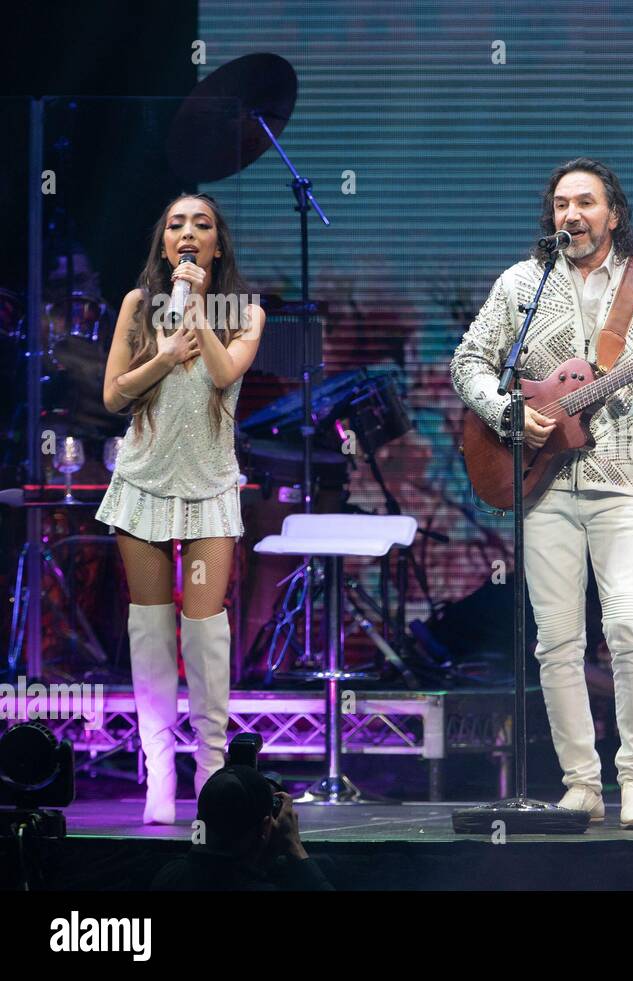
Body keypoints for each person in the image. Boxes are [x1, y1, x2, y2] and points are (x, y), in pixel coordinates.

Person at [451, 158, 633, 828]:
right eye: (562, 203)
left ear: (613, 213)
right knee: (557, 640)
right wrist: (509, 415)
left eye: (586, 202)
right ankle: (582, 781)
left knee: (626, 625)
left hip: (622, 480)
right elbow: (468, 361)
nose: (572, 214)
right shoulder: (521, 283)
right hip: (541, 485)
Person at [97, 193, 264, 824]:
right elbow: (114, 395)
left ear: (217, 245)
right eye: (176, 225)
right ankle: (159, 774)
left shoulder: (245, 312)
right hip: (142, 487)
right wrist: (164, 356)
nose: (188, 234)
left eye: (202, 225)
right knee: (150, 631)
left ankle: (212, 773)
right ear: (163, 243)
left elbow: (223, 376)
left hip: (209, 490)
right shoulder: (139, 306)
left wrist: (195, 306)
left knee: (203, 630)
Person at [152, 765, 333, 891]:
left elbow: (203, 864)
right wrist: (296, 848)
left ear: (199, 824)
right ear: (265, 827)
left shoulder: (169, 877)